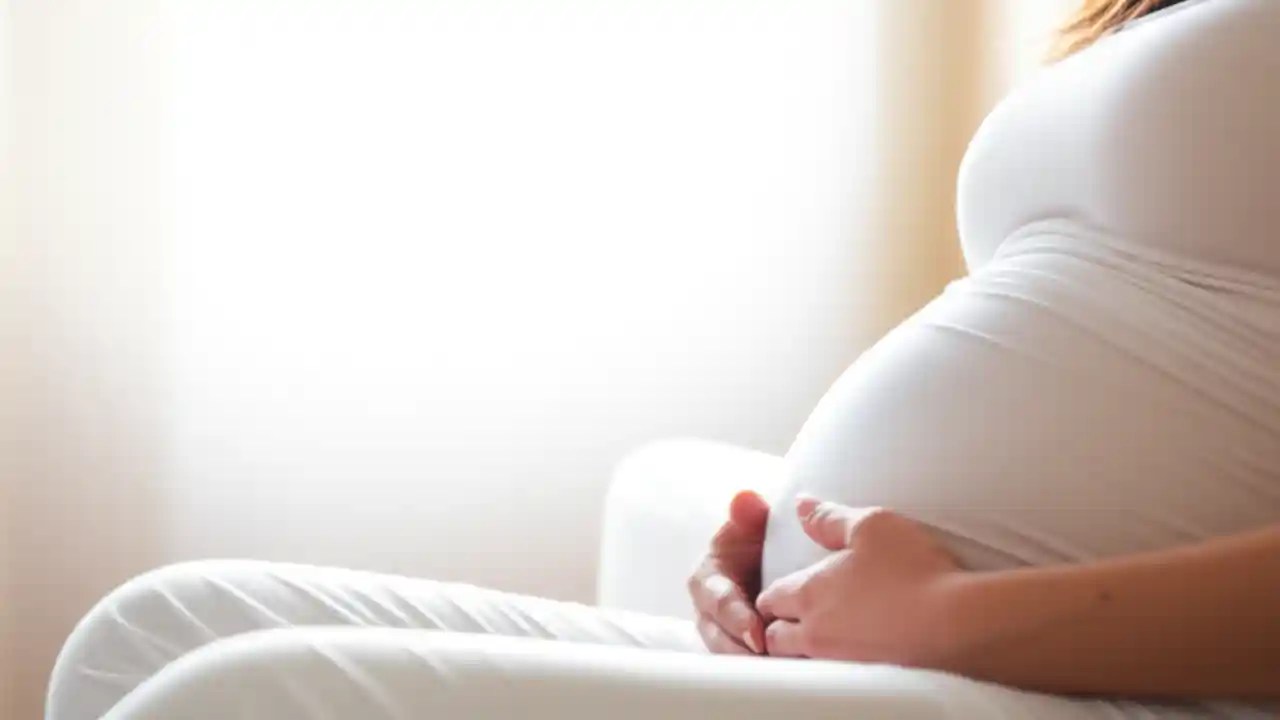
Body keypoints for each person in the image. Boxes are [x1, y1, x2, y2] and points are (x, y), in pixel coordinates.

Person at [46, 0, 1280, 717]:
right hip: (931, 652)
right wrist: (786, 548)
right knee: (148, 635)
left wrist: (953, 615)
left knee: (238, 704)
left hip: (1093, 685)